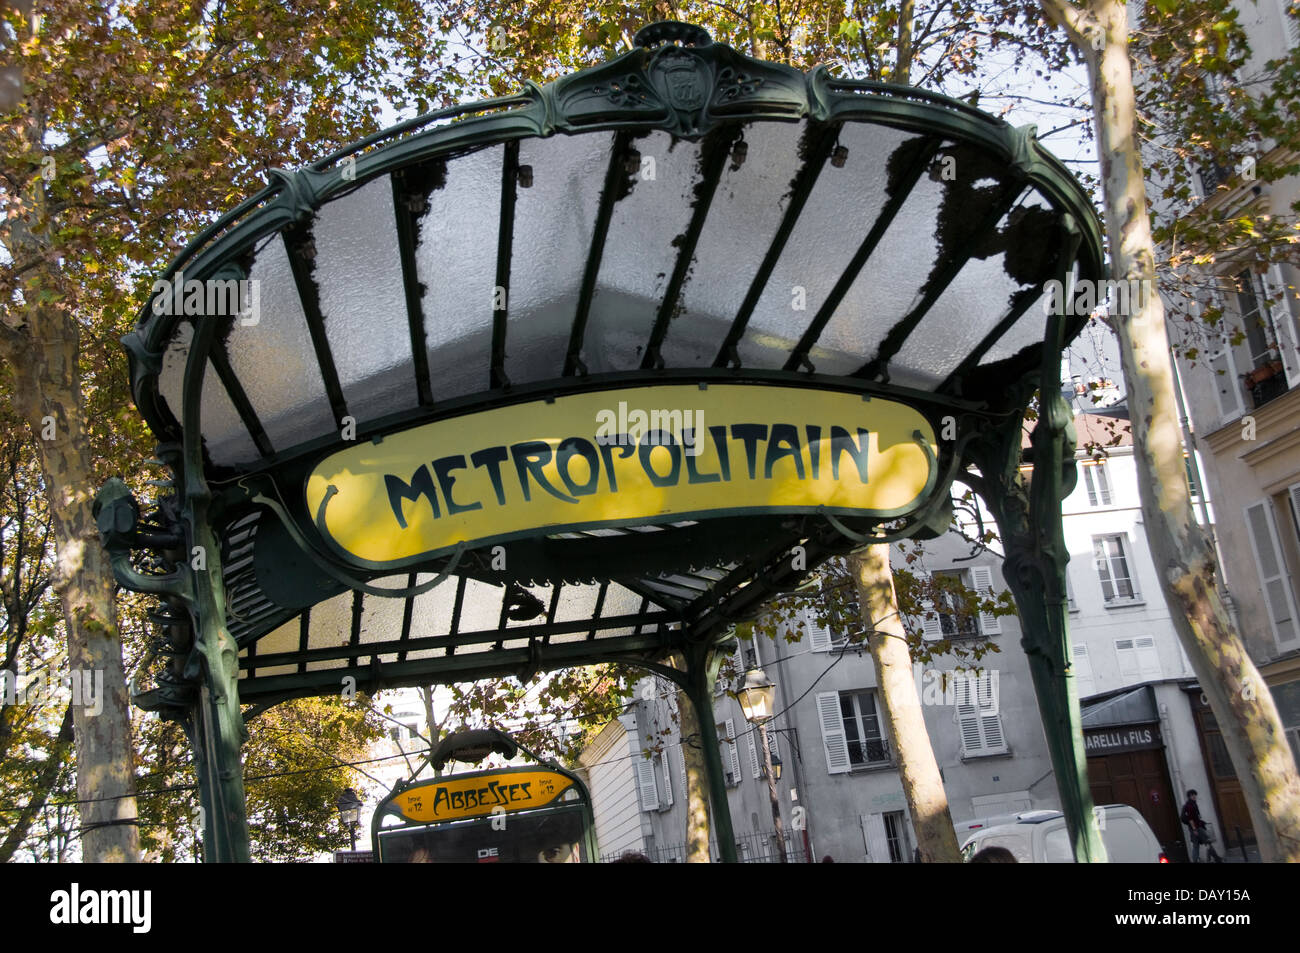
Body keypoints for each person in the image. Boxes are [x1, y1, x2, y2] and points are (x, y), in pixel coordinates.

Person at [1180, 790, 1223, 863]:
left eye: (1194, 795)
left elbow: (1196, 817)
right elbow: (1191, 819)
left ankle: (1199, 860)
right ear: (1189, 796)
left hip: (1194, 828)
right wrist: (1194, 829)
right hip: (1197, 828)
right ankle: (1216, 858)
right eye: (1192, 795)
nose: (1194, 796)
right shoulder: (1190, 805)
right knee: (1207, 842)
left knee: (1196, 846)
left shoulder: (1192, 804)